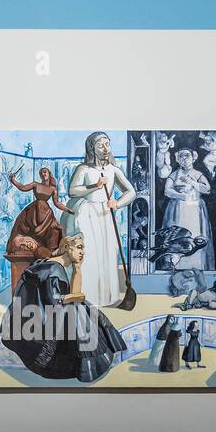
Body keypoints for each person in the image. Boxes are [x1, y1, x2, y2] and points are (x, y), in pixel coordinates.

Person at [0, 234, 127, 383]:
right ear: (66, 248)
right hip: (38, 325)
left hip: (34, 320)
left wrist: (77, 269)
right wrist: (78, 297)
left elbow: (70, 294)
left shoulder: (47, 263)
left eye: (83, 248)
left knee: (78, 305)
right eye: (79, 247)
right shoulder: (54, 269)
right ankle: (88, 365)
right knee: (79, 309)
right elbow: (56, 300)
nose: (83, 252)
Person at [65, 132, 135, 308]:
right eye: (100, 145)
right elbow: (72, 191)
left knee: (107, 253)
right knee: (90, 255)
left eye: (107, 144)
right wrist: (94, 186)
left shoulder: (113, 170)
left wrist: (117, 203)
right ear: (92, 149)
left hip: (106, 214)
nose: (105, 148)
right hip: (88, 215)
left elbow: (131, 192)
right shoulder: (84, 169)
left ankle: (107, 298)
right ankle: (88, 298)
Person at [5, 166, 67, 292]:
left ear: (49, 174)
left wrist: (67, 209)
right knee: (25, 227)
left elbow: (57, 203)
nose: (43, 174)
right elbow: (23, 188)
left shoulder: (53, 189)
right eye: (42, 172)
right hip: (33, 213)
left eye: (45, 172)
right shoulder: (35, 184)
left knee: (55, 230)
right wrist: (13, 181)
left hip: (47, 214)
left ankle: (51, 253)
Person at [162, 149, 215, 271]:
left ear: (193, 157)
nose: (184, 158)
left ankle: (195, 266)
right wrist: (181, 196)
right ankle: (176, 266)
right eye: (181, 156)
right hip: (177, 210)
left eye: (187, 155)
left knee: (195, 236)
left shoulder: (197, 174)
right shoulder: (174, 174)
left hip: (194, 210)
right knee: (178, 237)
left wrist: (192, 182)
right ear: (177, 159)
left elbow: (207, 189)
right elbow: (167, 190)